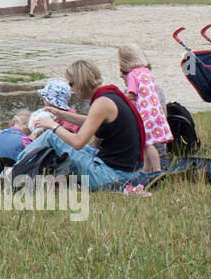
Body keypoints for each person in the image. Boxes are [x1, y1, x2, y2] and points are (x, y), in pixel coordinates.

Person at [18, 59, 143, 190]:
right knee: (59, 139)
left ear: (81, 82)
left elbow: (78, 143)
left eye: (71, 84)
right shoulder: (110, 96)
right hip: (129, 172)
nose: (71, 89)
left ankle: (13, 170)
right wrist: (61, 114)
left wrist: (52, 125)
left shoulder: (102, 103)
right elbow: (91, 121)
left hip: (111, 176)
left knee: (51, 136)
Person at [117, 44, 173, 172]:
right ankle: (146, 169)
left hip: (144, 114)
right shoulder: (147, 72)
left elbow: (132, 94)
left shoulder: (132, 75)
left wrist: (119, 97)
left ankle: (157, 170)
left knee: (148, 143)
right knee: (148, 143)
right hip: (155, 112)